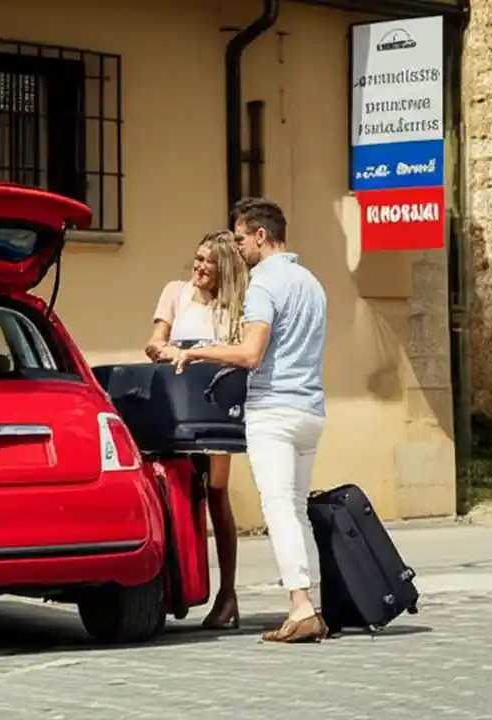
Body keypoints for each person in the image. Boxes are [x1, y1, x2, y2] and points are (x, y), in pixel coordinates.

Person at [174, 198, 328, 644]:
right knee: (295, 509)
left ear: (261, 236)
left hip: (274, 411)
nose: (237, 248)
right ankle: (311, 605)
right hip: (310, 410)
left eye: (240, 239)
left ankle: (300, 607)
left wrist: (196, 351)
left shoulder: (263, 284)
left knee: (279, 508)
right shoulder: (311, 283)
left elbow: (250, 353)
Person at [145, 230, 247, 630]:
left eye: (210, 262)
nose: (200, 267)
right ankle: (178, 583)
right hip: (174, 406)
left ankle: (227, 593)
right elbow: (154, 342)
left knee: (217, 493)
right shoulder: (176, 292)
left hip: (214, 408)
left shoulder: (235, 308)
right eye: (198, 258)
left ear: (225, 270)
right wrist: (168, 350)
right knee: (177, 490)